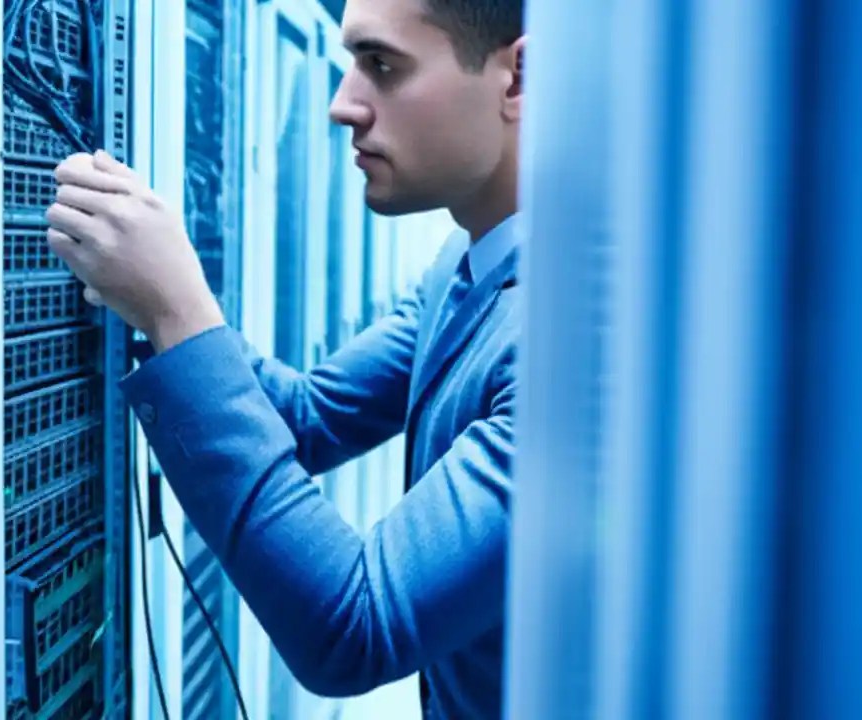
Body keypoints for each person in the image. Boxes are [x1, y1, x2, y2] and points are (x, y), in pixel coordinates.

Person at [45, 0, 524, 716]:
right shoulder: (463, 263)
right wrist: (157, 294)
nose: (341, 105)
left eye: (382, 65)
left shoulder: (576, 349)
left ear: (517, 77)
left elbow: (355, 626)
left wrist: (181, 314)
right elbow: (308, 417)